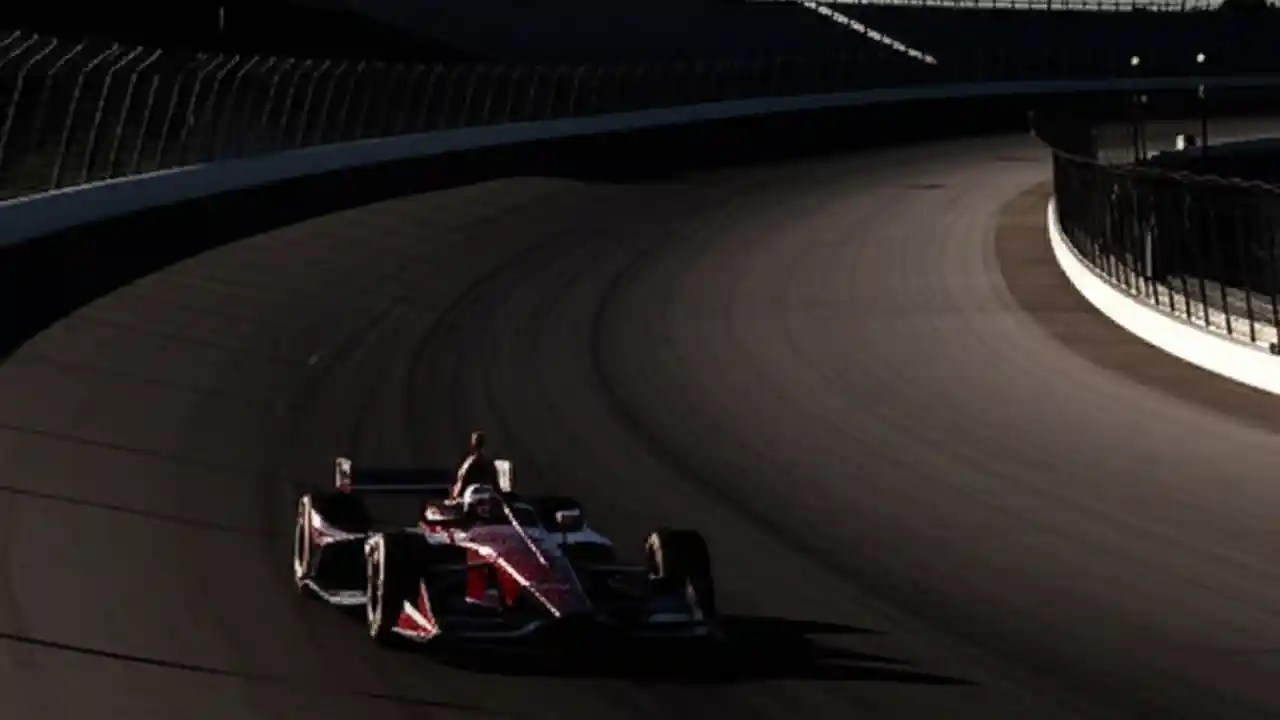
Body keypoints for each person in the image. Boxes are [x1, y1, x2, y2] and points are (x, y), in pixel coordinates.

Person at [450, 430, 498, 498]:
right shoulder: (488, 462)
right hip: (481, 495)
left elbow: (462, 479)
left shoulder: (470, 462)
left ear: (473, 443)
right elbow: (495, 483)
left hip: (470, 496)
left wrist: (455, 496)